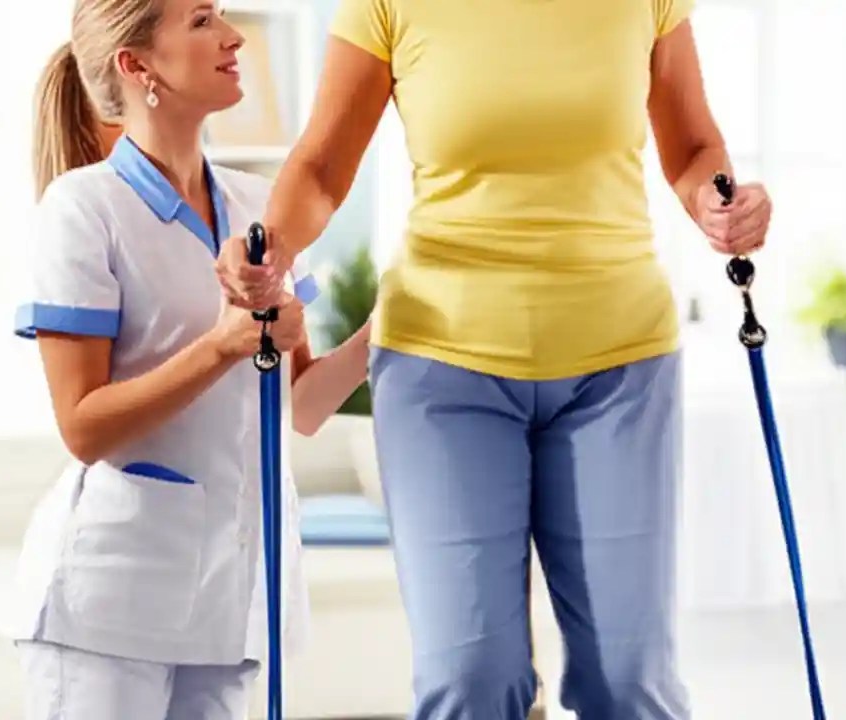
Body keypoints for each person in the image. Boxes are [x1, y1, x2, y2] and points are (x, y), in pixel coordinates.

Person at [216, 0, 773, 717]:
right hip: (442, 365)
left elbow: (694, 147)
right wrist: (270, 249)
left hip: (620, 362)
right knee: (470, 680)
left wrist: (719, 205)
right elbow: (322, 165)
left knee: (630, 682)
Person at [3, 1, 371, 717]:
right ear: (137, 65)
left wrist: (388, 330)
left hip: (235, 605)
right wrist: (224, 345)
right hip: (110, 609)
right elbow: (84, 428)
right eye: (202, 21)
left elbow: (300, 406)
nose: (233, 37)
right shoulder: (83, 209)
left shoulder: (261, 206)